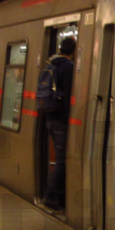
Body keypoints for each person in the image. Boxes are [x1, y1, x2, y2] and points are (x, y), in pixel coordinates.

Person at [42, 37, 76, 211]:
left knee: (58, 159)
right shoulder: (68, 67)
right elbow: (69, 95)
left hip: (49, 118)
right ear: (73, 51)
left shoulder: (52, 63)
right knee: (62, 161)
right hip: (61, 121)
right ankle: (51, 197)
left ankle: (59, 197)